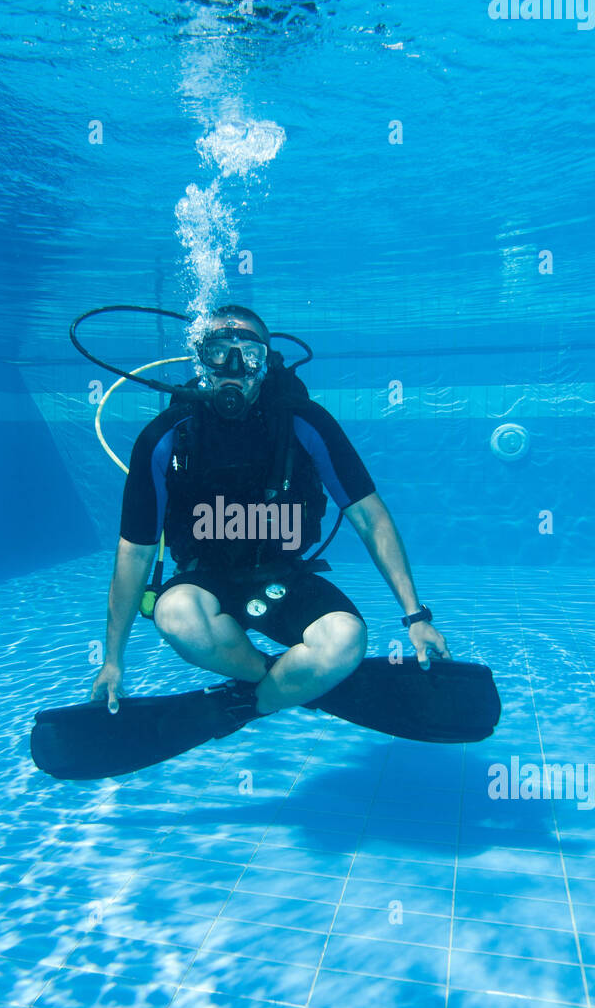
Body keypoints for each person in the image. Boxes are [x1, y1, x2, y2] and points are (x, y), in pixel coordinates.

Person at [91, 303, 450, 724]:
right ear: (199, 358)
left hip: (283, 575)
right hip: (204, 578)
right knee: (174, 615)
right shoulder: (166, 436)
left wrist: (416, 616)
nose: (234, 365)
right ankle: (282, 682)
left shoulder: (304, 422)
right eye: (219, 351)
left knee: (346, 639)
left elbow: (371, 517)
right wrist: (113, 659)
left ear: (266, 364)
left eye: (250, 354)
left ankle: (250, 702)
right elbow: (135, 553)